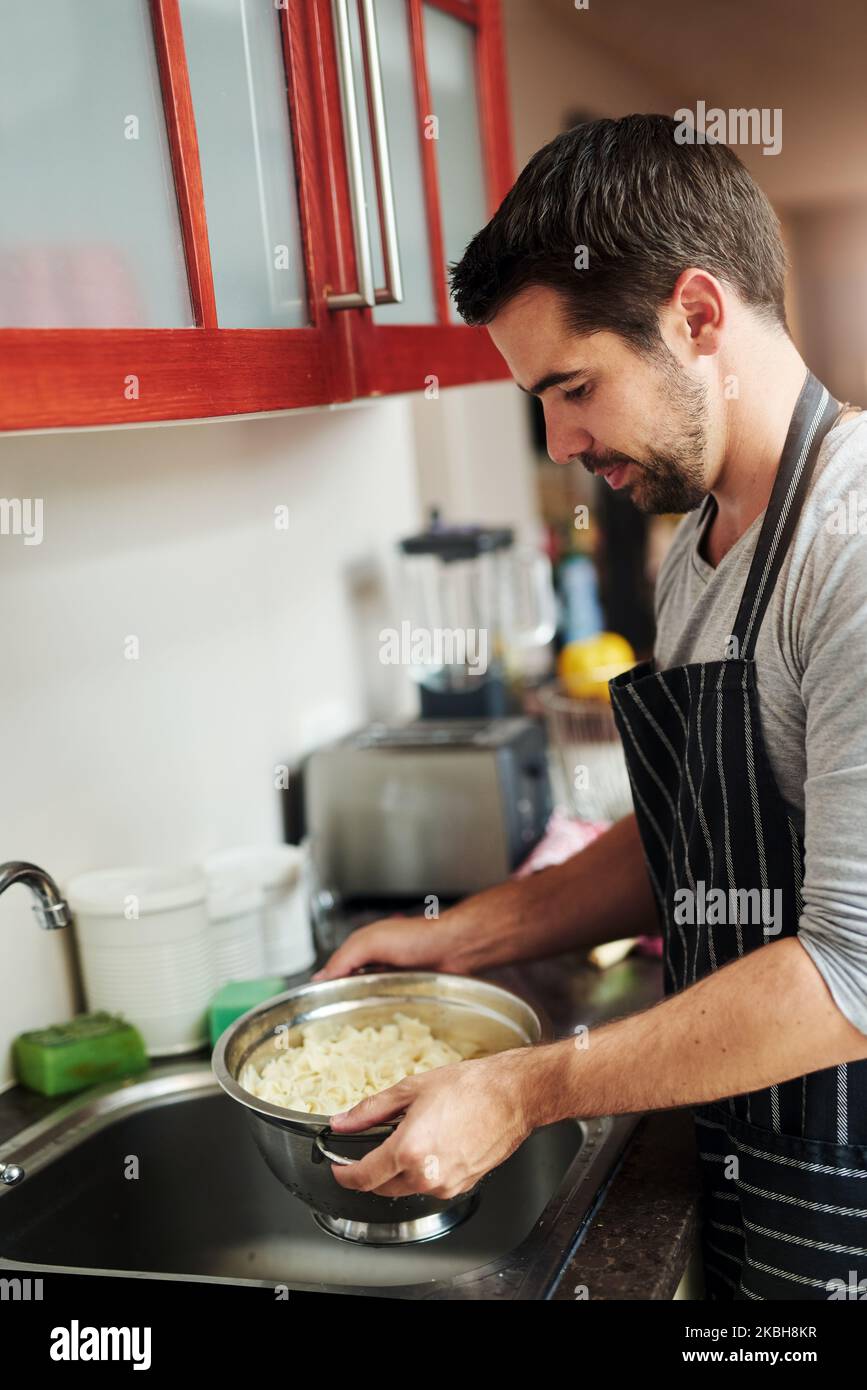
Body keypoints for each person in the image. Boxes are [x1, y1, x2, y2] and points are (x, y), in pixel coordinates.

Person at [313, 114, 867, 1302]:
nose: (563, 442)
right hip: (759, 1146)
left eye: (574, 387)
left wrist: (524, 1085)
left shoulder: (852, 546)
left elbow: (847, 974)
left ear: (699, 317)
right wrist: (458, 939)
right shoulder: (701, 555)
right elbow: (694, 834)